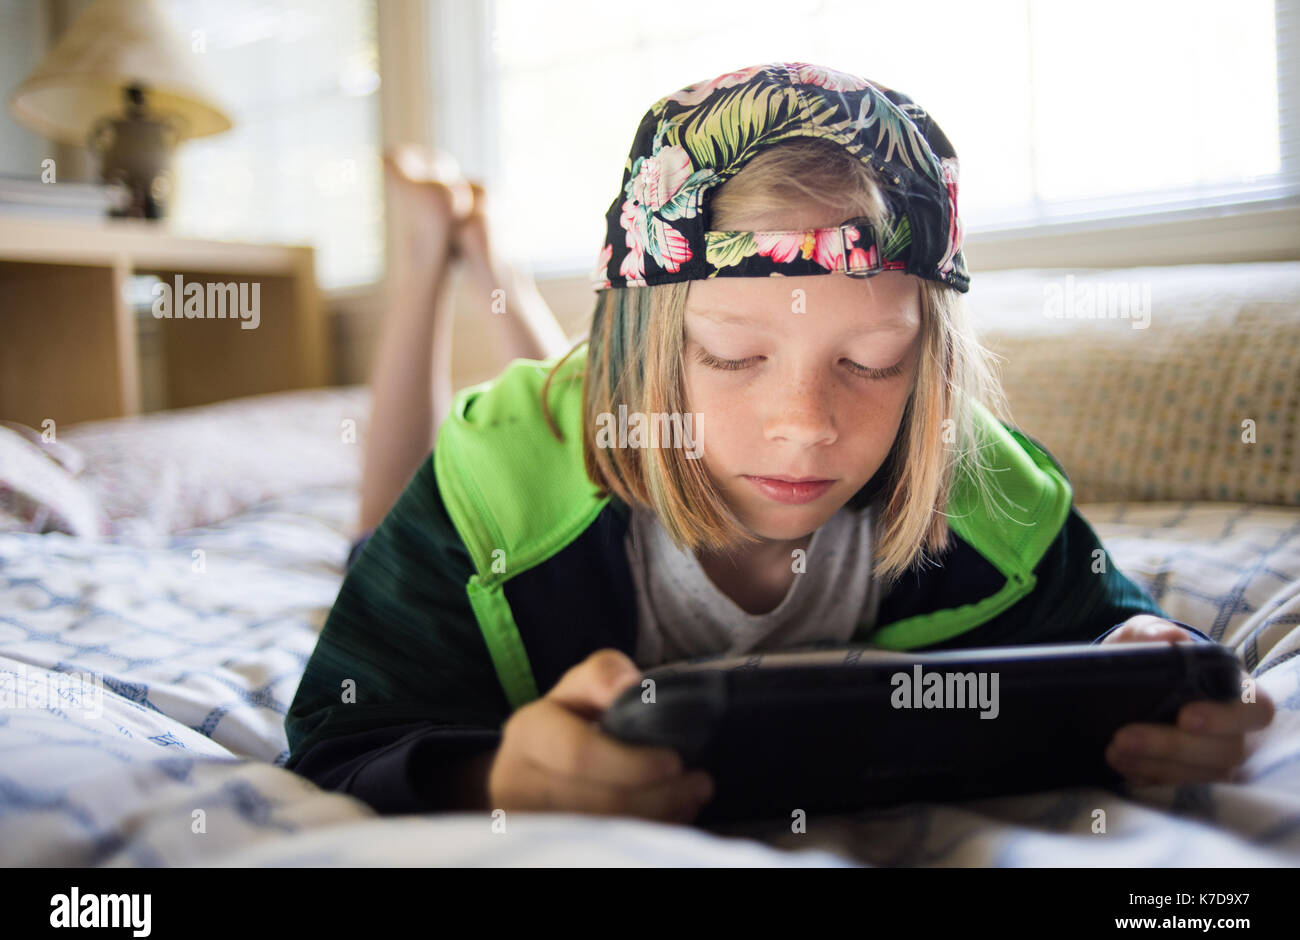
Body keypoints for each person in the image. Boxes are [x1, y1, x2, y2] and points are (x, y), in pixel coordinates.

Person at [285, 62, 1274, 824]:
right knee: (391, 517)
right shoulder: (494, 482)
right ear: (651, 345)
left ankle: (519, 266)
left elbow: (1114, 625)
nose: (804, 424)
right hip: (544, 443)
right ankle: (433, 259)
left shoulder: (985, 488)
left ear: (929, 365)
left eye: (873, 360)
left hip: (627, 375)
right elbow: (343, 733)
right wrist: (487, 775)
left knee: (611, 392)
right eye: (729, 354)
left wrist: (1154, 662)